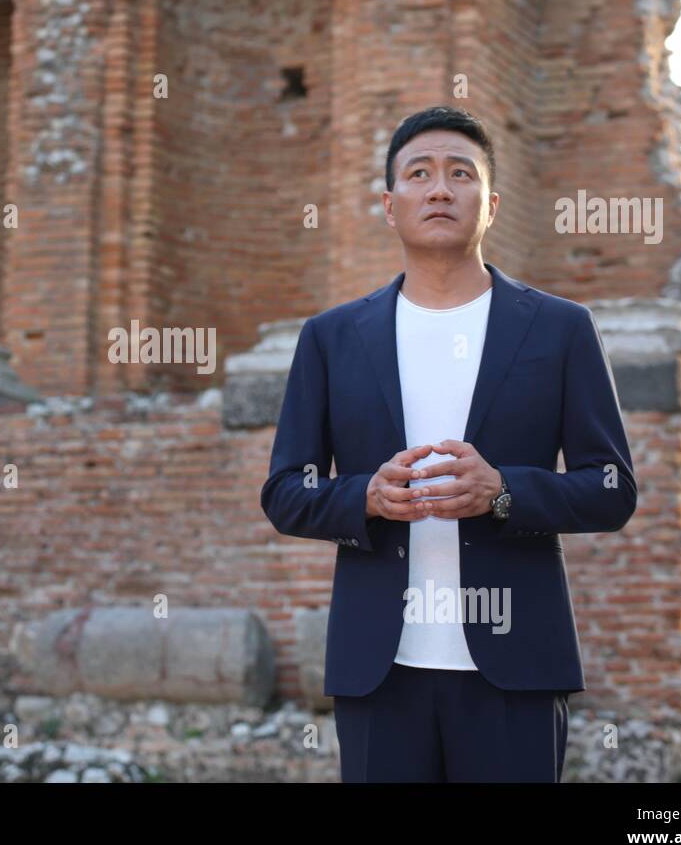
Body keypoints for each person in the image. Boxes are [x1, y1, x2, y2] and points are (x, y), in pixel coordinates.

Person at [260, 106, 637, 782]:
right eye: (420, 174)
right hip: (379, 672)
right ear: (389, 204)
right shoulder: (331, 337)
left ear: (489, 204)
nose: (440, 189)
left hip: (516, 668)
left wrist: (506, 491)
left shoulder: (561, 329)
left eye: (461, 175)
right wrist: (364, 497)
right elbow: (286, 491)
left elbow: (612, 488)